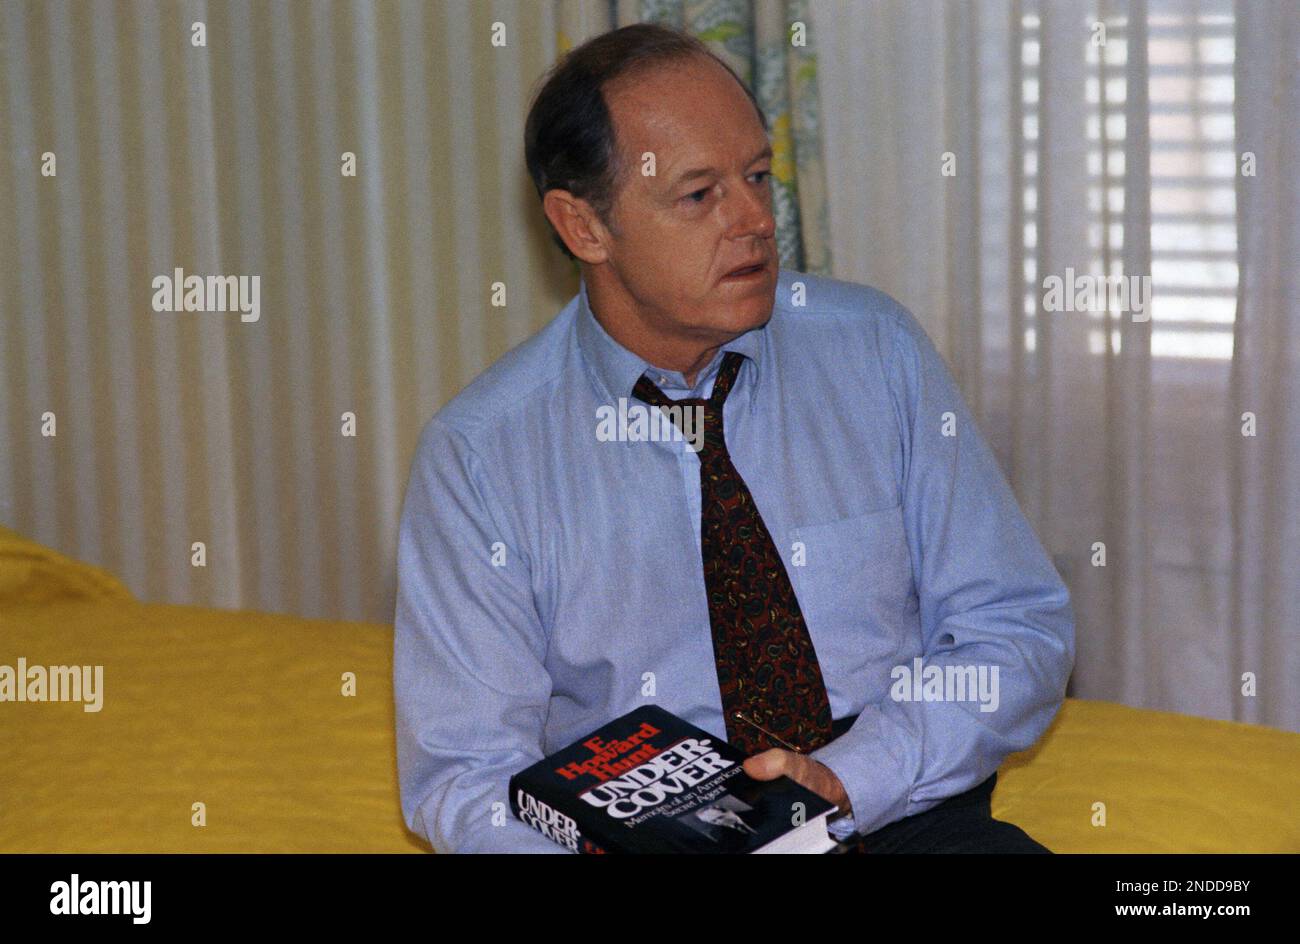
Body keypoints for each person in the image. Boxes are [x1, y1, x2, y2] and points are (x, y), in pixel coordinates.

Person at [394, 23, 1075, 854]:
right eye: (699, 195)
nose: (756, 218)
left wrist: (857, 775)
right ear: (583, 228)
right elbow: (465, 774)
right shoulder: (482, 457)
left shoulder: (874, 351)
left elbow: (1016, 627)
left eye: (757, 175)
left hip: (895, 809)